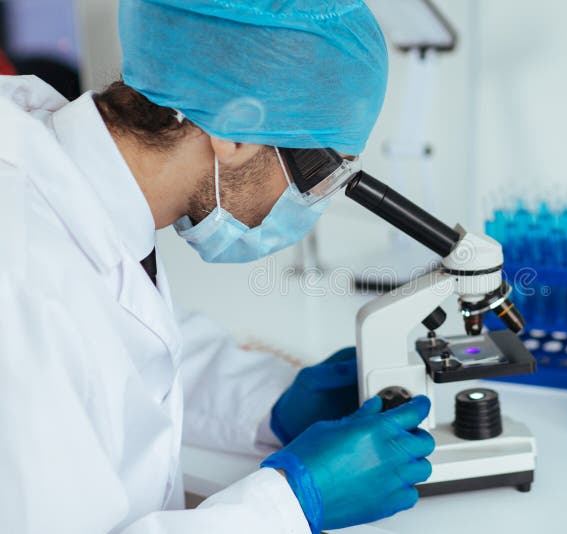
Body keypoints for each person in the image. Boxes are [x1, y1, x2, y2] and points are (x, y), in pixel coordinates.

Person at [0, 1, 435, 533]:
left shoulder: (72, 177)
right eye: (322, 171)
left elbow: (116, 356)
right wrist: (290, 506)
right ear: (232, 132)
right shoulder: (23, 270)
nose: (315, 202)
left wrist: (272, 403)